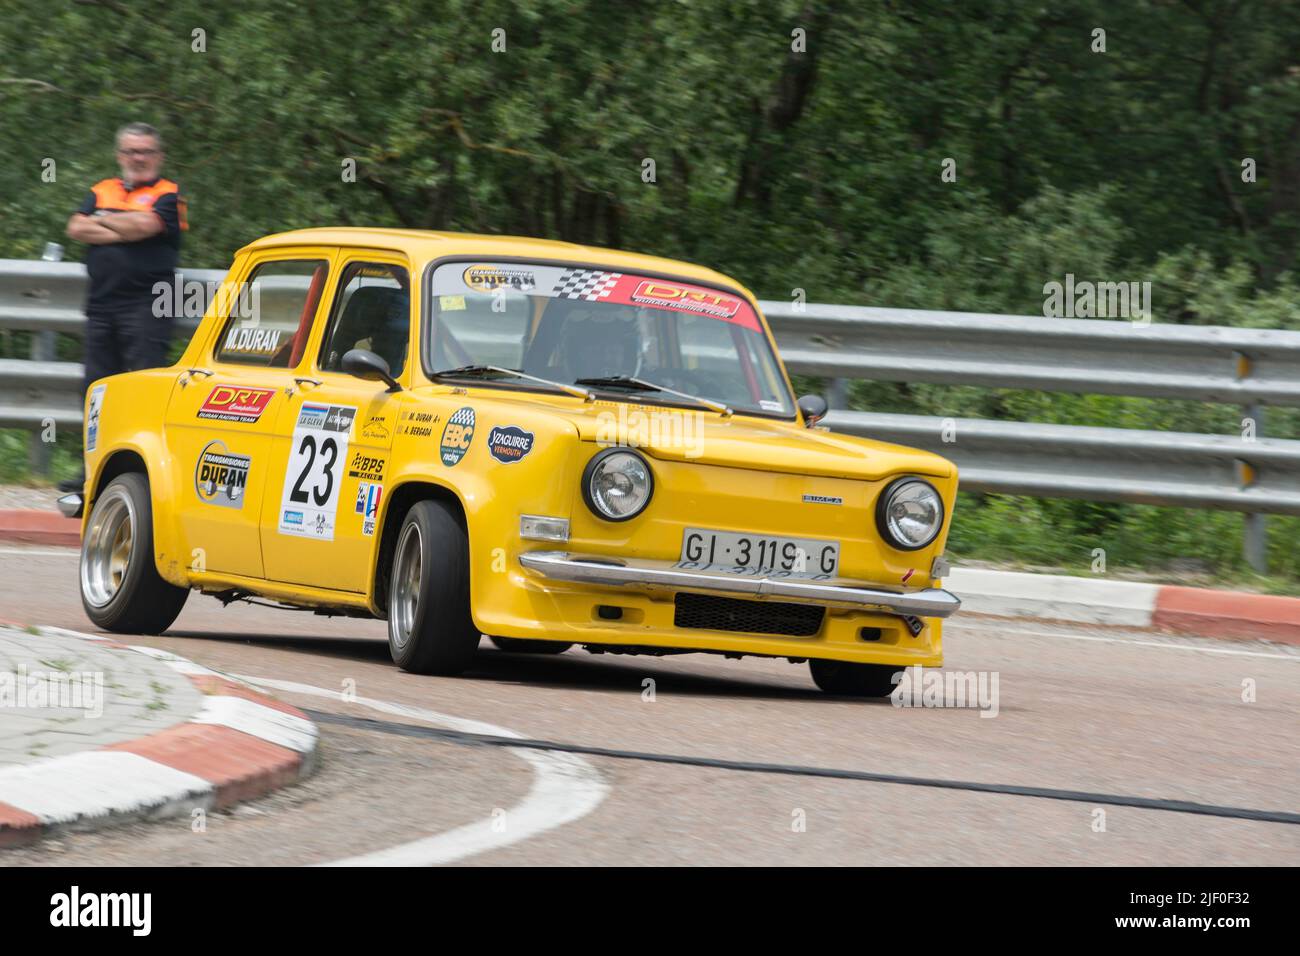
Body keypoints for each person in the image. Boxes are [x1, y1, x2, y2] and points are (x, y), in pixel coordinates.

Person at [60, 123, 187, 491]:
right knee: (97, 392)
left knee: (145, 391)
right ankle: (92, 473)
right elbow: (75, 228)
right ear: (120, 156)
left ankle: (144, 475)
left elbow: (149, 225)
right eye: (131, 152)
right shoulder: (102, 188)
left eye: (146, 151)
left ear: (159, 156)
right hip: (102, 304)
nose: (138, 158)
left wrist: (102, 220)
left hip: (151, 304)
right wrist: (123, 226)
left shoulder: (170, 193)